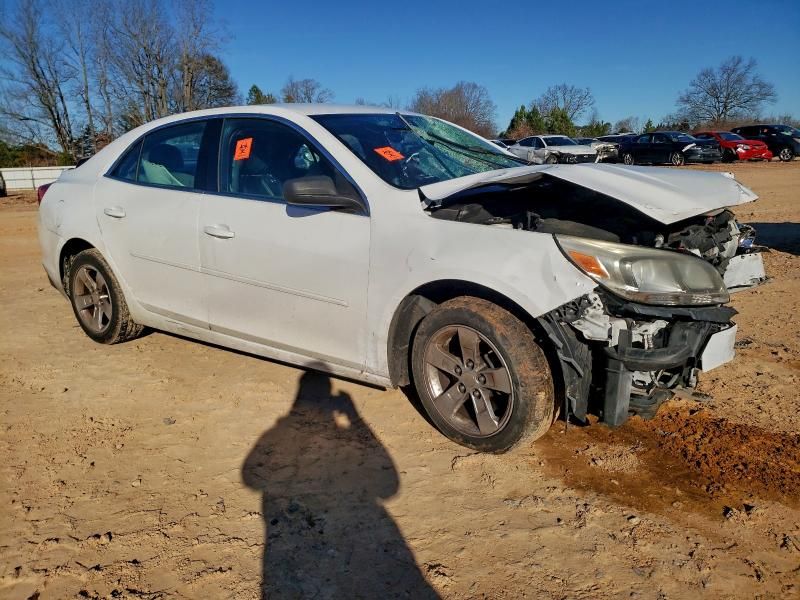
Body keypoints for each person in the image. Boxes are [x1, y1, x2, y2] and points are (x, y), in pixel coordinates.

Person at [242, 368, 439, 599]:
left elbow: (249, 478)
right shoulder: (301, 436)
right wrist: (354, 418)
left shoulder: (276, 433)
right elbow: (390, 487)